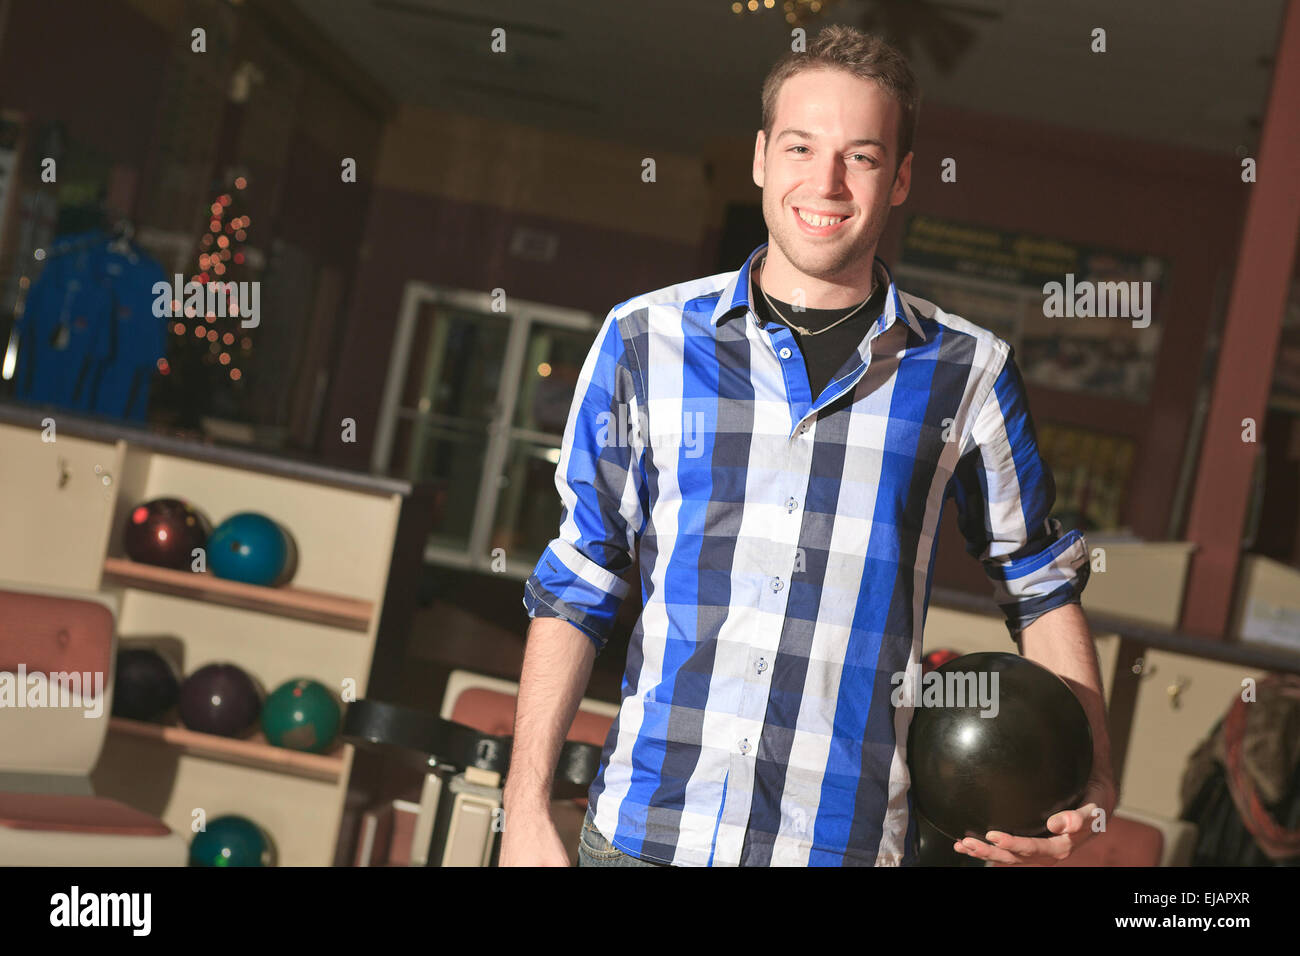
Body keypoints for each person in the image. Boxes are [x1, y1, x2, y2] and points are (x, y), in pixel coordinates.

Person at [502, 24, 1116, 867]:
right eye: (801, 146)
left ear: (899, 178)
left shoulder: (969, 372)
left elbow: (1038, 583)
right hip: (646, 835)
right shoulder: (644, 340)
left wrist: (1094, 789)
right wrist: (526, 807)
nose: (825, 181)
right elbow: (581, 578)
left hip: (844, 846)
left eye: (861, 156)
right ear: (761, 158)